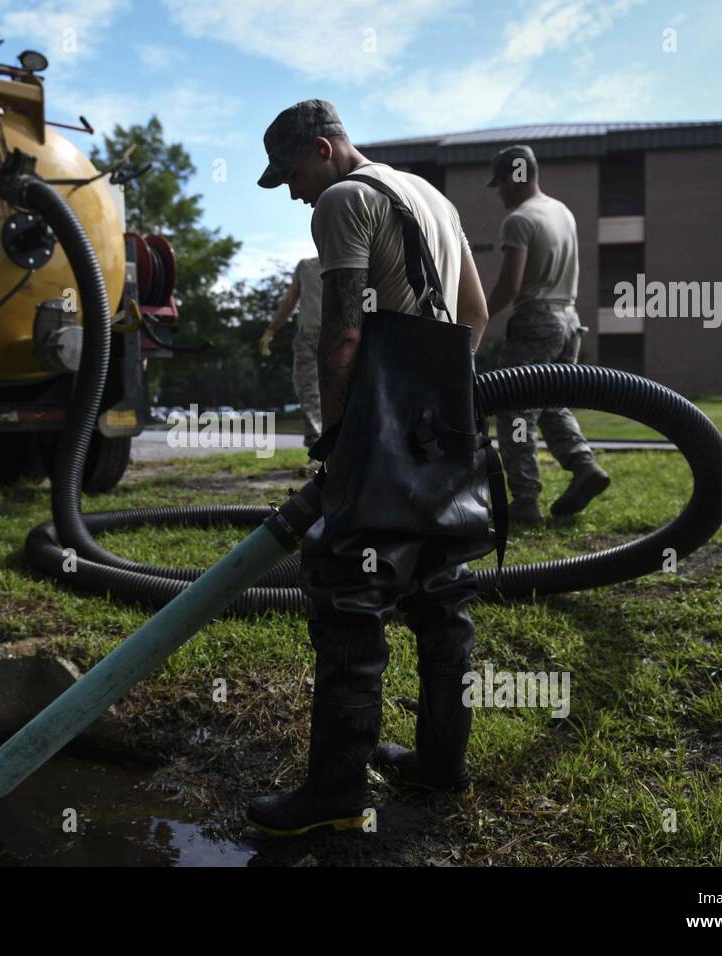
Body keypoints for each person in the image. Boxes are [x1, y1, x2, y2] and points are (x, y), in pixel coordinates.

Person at [248, 99, 492, 836]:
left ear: (321, 149)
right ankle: (442, 765)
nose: (292, 191)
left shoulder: (344, 200)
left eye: (291, 173)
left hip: (379, 426)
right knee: (439, 593)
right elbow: (475, 311)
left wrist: (337, 436)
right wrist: (437, 399)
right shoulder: (431, 197)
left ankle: (336, 794)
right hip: (440, 428)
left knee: (347, 589)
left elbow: (342, 333)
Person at [483, 144, 609, 525]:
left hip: (537, 320)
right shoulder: (562, 212)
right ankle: (583, 465)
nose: (500, 194)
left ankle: (525, 500)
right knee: (553, 403)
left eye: (500, 184)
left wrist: (479, 316)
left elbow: (511, 283)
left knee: (513, 408)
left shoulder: (520, 220)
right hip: (569, 321)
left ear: (513, 177)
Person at [261, 257, 325, 475]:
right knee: (309, 396)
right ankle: (319, 456)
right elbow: (291, 300)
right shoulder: (306, 266)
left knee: (346, 395)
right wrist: (271, 330)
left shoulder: (355, 261)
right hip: (308, 339)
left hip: (342, 337)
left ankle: (345, 455)